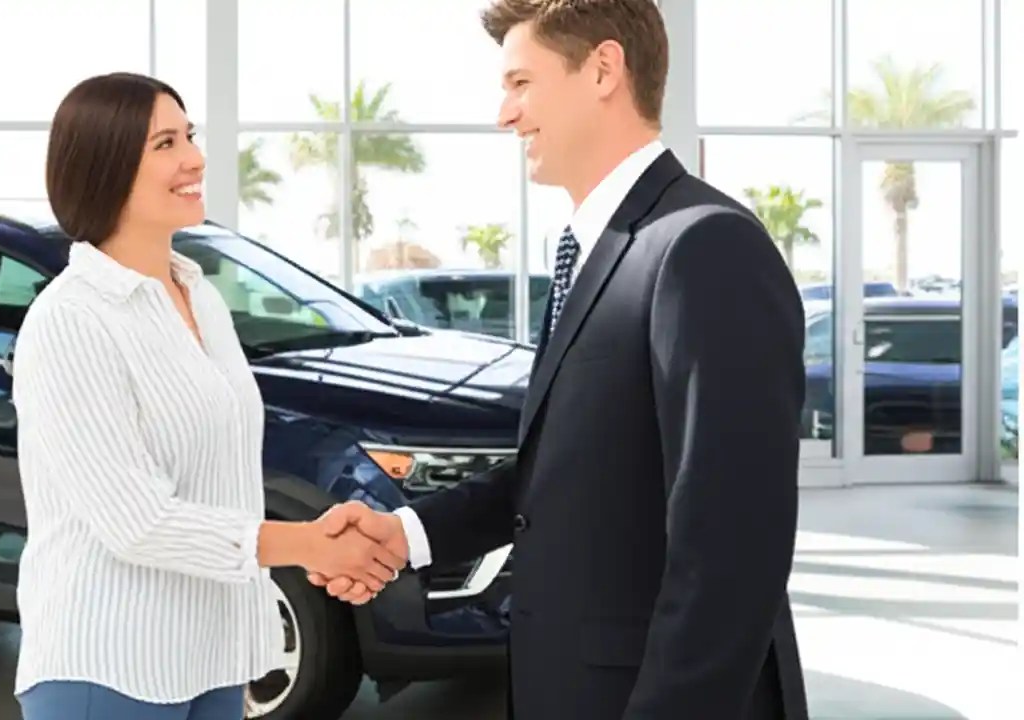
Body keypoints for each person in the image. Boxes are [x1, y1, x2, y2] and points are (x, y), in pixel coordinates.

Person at [309, 1, 811, 718]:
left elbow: (731, 546)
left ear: (604, 69)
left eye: (521, 83)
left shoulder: (704, 248)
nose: (504, 115)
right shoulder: (595, 249)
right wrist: (406, 533)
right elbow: (567, 468)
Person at [10, 72, 406, 720]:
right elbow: (136, 522)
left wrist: (320, 543)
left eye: (188, 135)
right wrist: (308, 544)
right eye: (164, 143)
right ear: (107, 166)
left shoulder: (201, 296)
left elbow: (223, 481)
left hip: (214, 659)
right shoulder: (70, 320)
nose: (193, 157)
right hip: (108, 666)